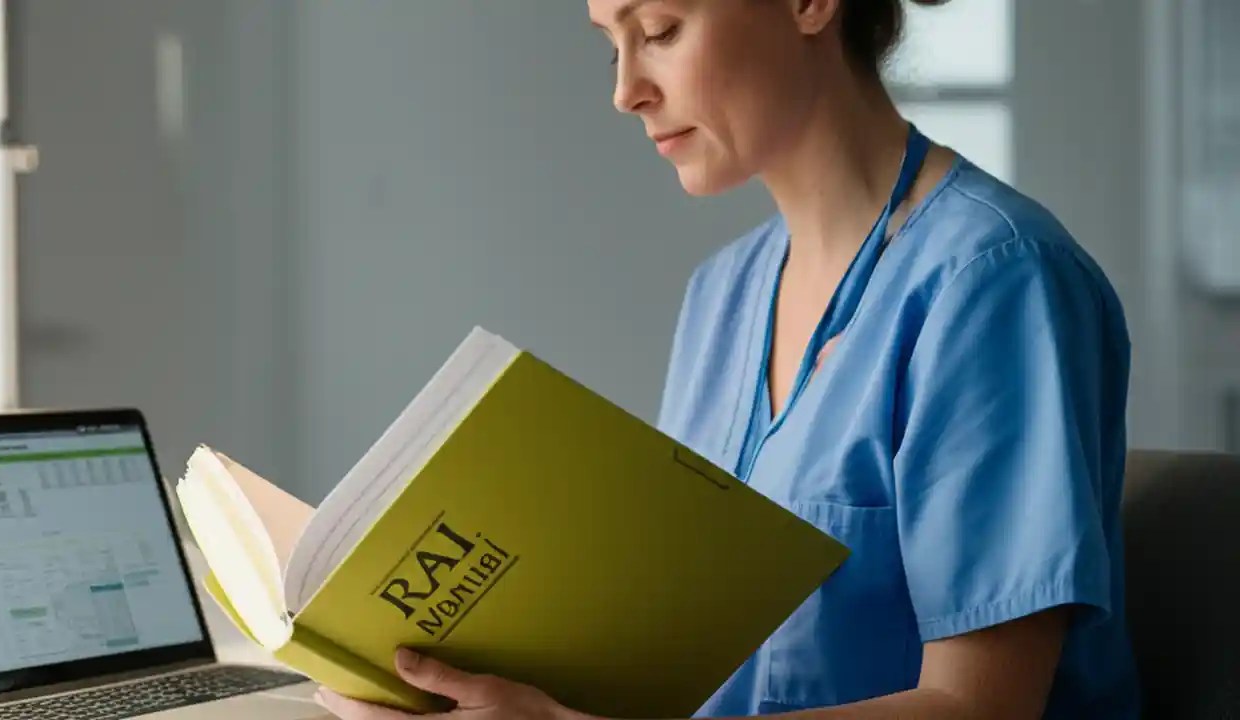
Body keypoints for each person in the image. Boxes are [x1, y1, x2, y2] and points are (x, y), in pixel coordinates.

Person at [315, 0, 1141, 718]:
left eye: (662, 31)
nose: (625, 90)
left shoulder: (993, 283)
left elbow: (982, 708)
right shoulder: (724, 294)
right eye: (614, 43)